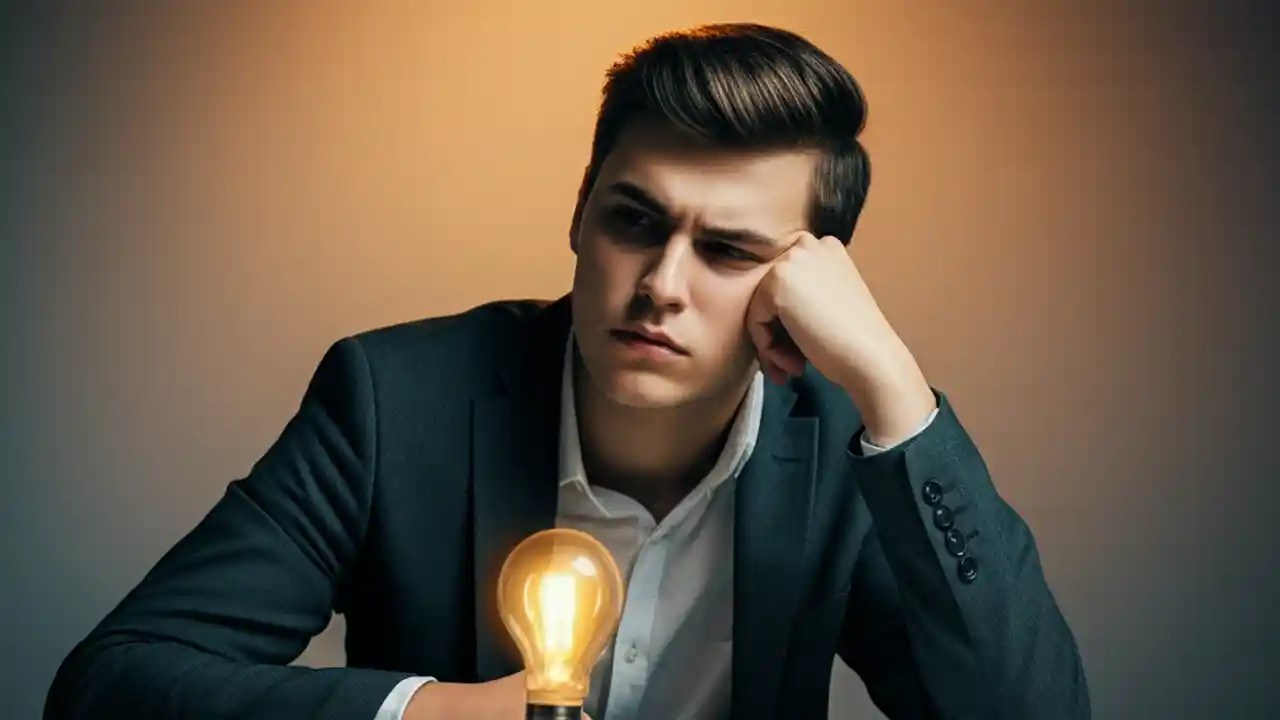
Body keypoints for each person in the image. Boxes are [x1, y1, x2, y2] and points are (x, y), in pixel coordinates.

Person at [45, 22, 1089, 720]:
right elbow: (111, 683)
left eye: (727, 251)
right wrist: (426, 715)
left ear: (807, 283)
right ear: (580, 217)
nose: (662, 284)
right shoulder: (393, 399)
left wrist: (891, 389)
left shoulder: (850, 456)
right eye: (635, 223)